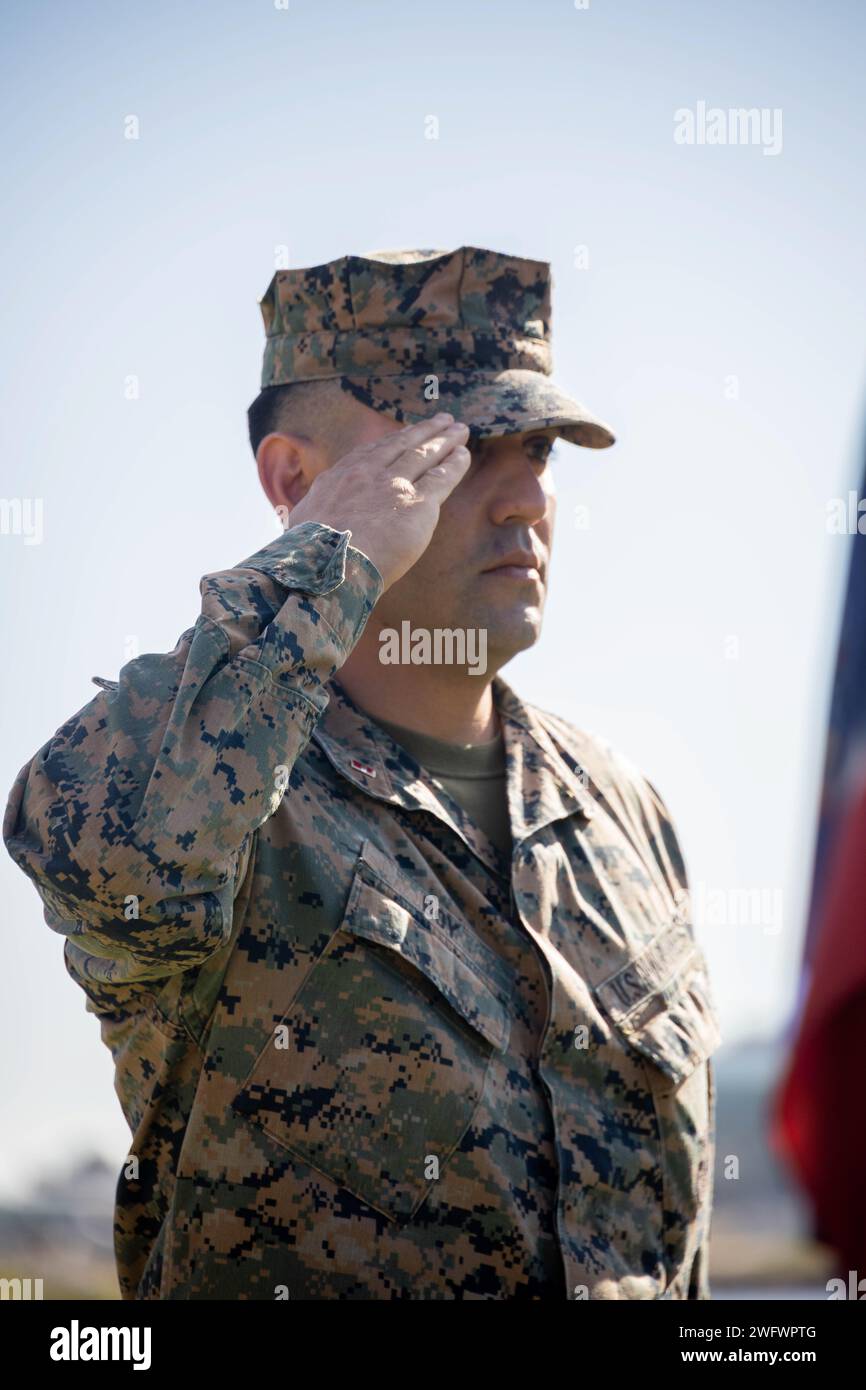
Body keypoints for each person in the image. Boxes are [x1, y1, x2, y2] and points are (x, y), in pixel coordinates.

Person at [3, 245, 721, 1300]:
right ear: (295, 479)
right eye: (464, 447)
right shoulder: (225, 798)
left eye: (540, 450)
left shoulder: (619, 810)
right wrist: (327, 554)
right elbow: (92, 844)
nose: (524, 498)